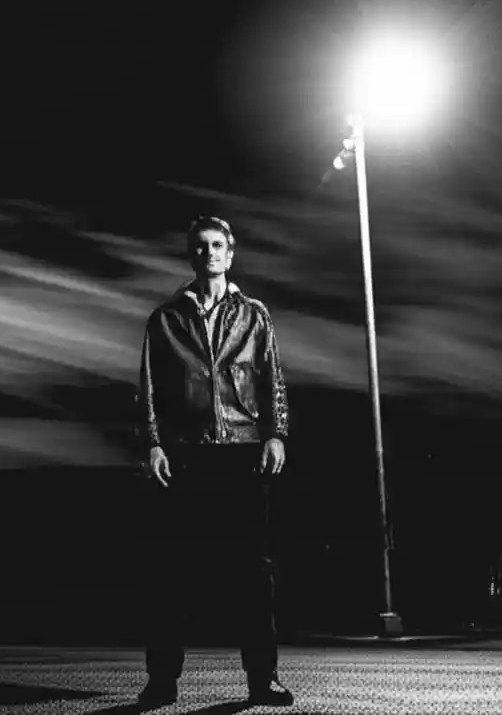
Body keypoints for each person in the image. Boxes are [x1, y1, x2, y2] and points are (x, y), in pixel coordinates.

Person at [134, 215, 294, 708]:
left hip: (244, 454)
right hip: (186, 456)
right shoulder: (165, 319)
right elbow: (149, 389)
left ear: (230, 252)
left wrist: (276, 433)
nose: (209, 253)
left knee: (254, 574)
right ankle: (162, 680)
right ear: (191, 255)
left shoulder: (254, 315)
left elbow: (273, 378)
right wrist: (153, 444)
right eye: (200, 246)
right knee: (171, 571)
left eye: (218, 245)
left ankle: (261, 679)